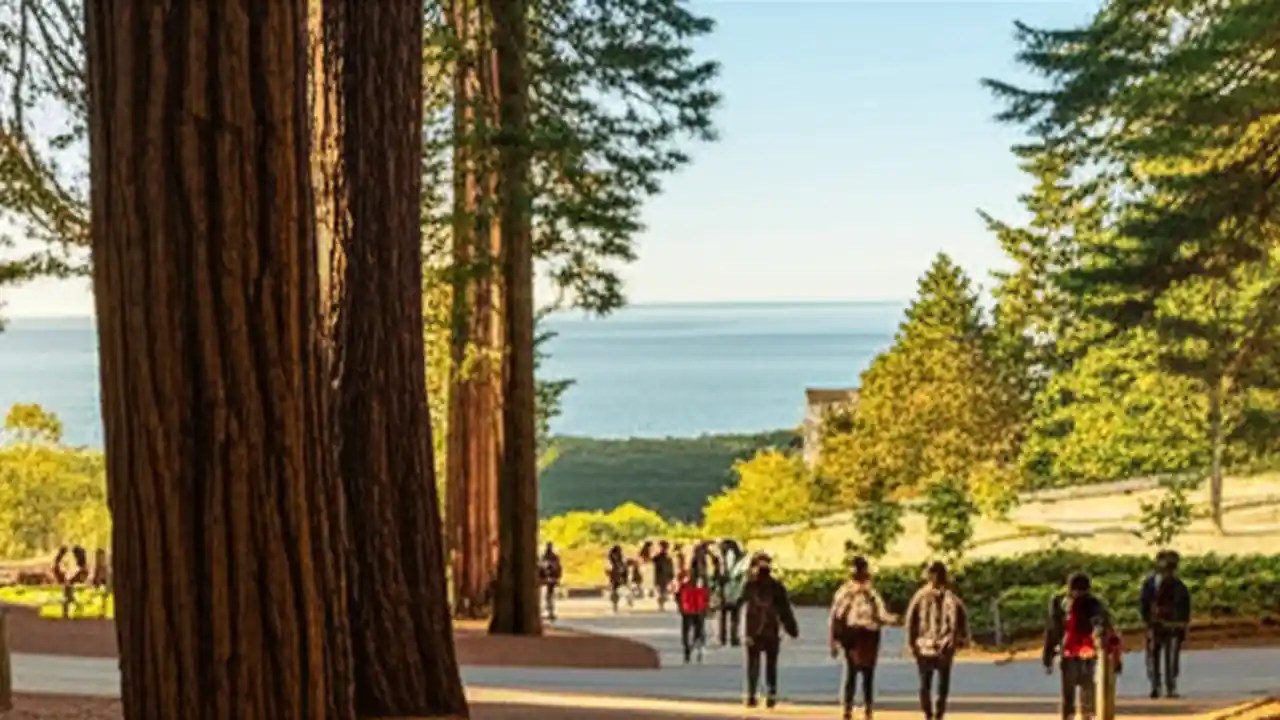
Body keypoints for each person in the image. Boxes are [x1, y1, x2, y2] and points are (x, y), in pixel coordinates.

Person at [1044, 572, 1122, 720]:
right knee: (1075, 690)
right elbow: (1053, 629)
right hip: (1072, 650)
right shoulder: (1063, 603)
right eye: (1077, 590)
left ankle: (1083, 715)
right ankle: (1076, 715)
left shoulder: (1090, 604)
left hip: (1080, 650)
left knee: (1083, 688)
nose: (1078, 593)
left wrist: (1048, 656)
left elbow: (1102, 623)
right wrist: (1048, 654)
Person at [830, 556, 893, 720]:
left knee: (867, 673)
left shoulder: (871, 594)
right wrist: (834, 641)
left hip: (869, 635)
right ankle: (849, 707)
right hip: (853, 634)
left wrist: (891, 620)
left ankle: (867, 707)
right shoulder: (845, 593)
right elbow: (836, 617)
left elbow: (881, 614)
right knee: (853, 671)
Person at [904, 561, 968, 720]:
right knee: (925, 684)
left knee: (942, 683)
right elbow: (911, 621)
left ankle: (939, 713)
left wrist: (960, 638)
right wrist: (912, 643)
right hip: (924, 645)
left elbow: (961, 619)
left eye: (934, 574)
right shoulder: (920, 597)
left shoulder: (950, 598)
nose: (932, 577)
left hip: (945, 644)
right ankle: (928, 713)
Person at [741, 552, 799, 709]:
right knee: (771, 664)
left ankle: (752, 694)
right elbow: (785, 610)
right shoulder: (776, 586)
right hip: (771, 629)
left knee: (753, 663)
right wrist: (792, 628)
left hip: (753, 629)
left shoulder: (749, 585)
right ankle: (771, 693)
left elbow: (739, 604)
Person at [1140, 551, 1191, 699]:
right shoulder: (1150, 584)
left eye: (1171, 567)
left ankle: (1171, 686)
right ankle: (1155, 685)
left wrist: (1183, 625)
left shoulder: (1179, 586)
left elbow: (1185, 608)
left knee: (1172, 658)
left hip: (1173, 626)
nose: (1169, 571)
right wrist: (1148, 622)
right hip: (1154, 625)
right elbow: (1144, 604)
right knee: (1153, 656)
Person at [675, 570, 711, 663]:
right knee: (698, 630)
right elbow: (706, 597)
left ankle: (690, 649)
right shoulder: (701, 585)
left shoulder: (685, 585)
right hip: (697, 610)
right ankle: (698, 647)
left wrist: (680, 606)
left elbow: (678, 596)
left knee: (688, 631)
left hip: (689, 611)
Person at [717, 539, 746, 646]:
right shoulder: (740, 558)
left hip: (727, 588)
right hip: (735, 588)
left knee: (724, 616)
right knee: (734, 616)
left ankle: (723, 638)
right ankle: (733, 638)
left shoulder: (721, 559)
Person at [539, 543, 563, 622]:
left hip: (548, 579)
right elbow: (558, 568)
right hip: (548, 579)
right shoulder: (550, 557)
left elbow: (558, 568)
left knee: (548, 596)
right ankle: (549, 611)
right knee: (548, 596)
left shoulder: (546, 557)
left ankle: (549, 611)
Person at [652, 541, 676, 611]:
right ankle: (661, 605)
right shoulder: (659, 557)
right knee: (661, 591)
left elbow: (670, 567)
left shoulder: (668, 557)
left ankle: (661, 604)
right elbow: (654, 560)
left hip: (665, 576)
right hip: (660, 576)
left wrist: (671, 576)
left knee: (664, 591)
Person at [606, 545, 629, 613]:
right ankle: (615, 604)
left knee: (616, 590)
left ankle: (616, 604)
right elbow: (608, 569)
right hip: (616, 577)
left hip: (618, 577)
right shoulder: (612, 560)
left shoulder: (620, 560)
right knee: (615, 590)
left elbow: (624, 569)